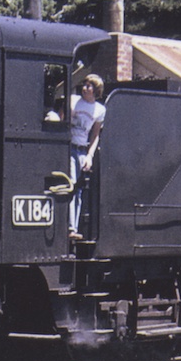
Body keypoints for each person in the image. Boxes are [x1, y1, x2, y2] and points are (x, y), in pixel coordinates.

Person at [68, 74, 104, 241]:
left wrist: (89, 156)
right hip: (69, 147)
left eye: (89, 85)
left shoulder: (99, 110)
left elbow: (95, 135)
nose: (85, 88)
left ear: (96, 90)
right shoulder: (74, 100)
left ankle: (73, 227)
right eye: (84, 84)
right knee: (70, 184)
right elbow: (62, 118)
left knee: (78, 190)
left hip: (82, 150)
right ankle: (69, 227)